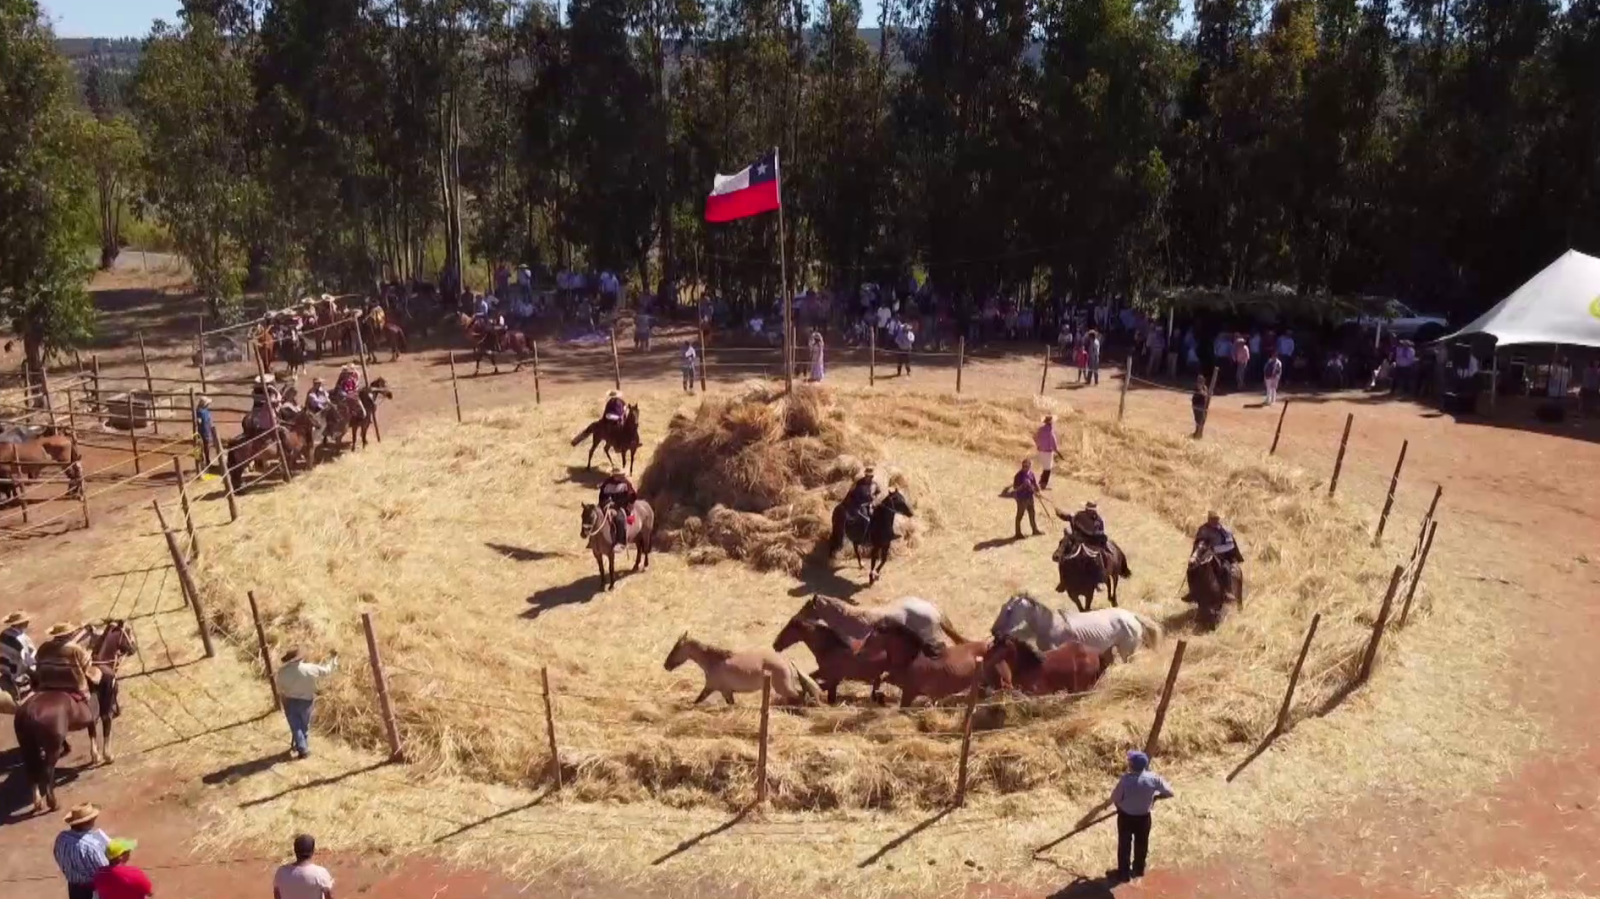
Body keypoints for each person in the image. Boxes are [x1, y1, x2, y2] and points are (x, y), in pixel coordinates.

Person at [1108, 749, 1174, 882]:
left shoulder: (1126, 780)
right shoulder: (1153, 778)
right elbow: (1169, 792)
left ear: (1132, 765)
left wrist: (1119, 806)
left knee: (1125, 845)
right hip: (1144, 818)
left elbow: (1115, 798)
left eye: (1129, 761)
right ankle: (1138, 869)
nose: (1128, 762)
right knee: (1142, 844)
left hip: (1126, 817)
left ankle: (1123, 874)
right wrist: (1156, 798)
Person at [274, 647, 339, 760]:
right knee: (304, 726)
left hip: (290, 700)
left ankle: (302, 747)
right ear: (301, 658)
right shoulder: (310, 668)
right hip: (306, 701)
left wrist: (283, 699)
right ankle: (302, 747)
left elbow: (279, 689)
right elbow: (327, 671)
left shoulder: (282, 672)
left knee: (296, 726)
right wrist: (333, 659)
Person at [54, 803, 110, 899]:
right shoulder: (92, 846)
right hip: (92, 891)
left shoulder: (61, 838)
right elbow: (105, 872)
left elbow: (57, 855)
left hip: (73, 888)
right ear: (90, 821)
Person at [274, 833, 335, 899]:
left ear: (295, 851)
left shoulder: (281, 872)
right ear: (313, 851)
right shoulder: (320, 873)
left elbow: (277, 895)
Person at [1, 610, 37, 700]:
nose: (28, 623)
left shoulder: (3, 634)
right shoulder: (22, 639)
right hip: (16, 674)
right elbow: (28, 661)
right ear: (22, 623)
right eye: (26, 621)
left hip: (4, 670)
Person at [597, 468, 637, 544]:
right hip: (606, 505)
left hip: (621, 506)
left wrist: (618, 503)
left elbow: (631, 497)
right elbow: (602, 496)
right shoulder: (607, 483)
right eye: (617, 475)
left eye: (621, 475)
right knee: (595, 515)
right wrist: (606, 503)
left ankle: (620, 541)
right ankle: (594, 539)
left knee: (620, 519)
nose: (619, 477)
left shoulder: (626, 484)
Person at [1012, 458, 1043, 539]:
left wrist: (1038, 492)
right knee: (1020, 516)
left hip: (1030, 498)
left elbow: (1035, 484)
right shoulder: (1018, 476)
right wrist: (1023, 485)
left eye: (1026, 466)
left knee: (1032, 514)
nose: (1024, 467)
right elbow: (1015, 489)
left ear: (1030, 466)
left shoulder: (1031, 474)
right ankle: (1018, 533)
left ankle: (1034, 530)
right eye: (1023, 466)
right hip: (1022, 499)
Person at [1033, 415, 1060, 490]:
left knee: (1045, 468)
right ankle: (1043, 484)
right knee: (1048, 469)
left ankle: (1041, 482)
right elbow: (1053, 444)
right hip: (1048, 452)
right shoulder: (1050, 432)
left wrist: (1038, 445)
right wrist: (1057, 452)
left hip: (1041, 451)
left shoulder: (1040, 430)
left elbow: (1035, 437)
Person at [195, 396, 219, 469]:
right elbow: (201, 422)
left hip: (207, 430)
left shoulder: (205, 411)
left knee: (206, 447)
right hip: (203, 431)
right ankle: (203, 463)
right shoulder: (200, 412)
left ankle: (207, 462)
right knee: (202, 447)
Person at [1190, 375, 1210, 439]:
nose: (1199, 382)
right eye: (1198, 381)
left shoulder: (1205, 388)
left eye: (1201, 381)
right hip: (1196, 406)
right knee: (1197, 420)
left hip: (1202, 406)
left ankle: (1200, 433)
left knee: (1202, 420)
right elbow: (1200, 394)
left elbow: (1206, 395)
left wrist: (1204, 393)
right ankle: (1197, 432)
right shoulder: (1197, 387)